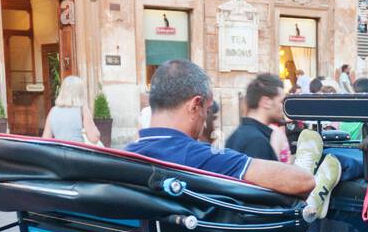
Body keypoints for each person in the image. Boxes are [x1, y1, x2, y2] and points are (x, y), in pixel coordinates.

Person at [126, 59, 337, 215]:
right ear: (195, 105)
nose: (205, 120)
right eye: (207, 110)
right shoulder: (201, 157)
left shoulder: (125, 157)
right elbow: (302, 181)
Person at [225, 73, 285, 161]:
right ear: (267, 102)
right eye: (281, 101)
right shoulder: (257, 141)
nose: (283, 106)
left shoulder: (239, 134)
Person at [42, 75, 101, 144]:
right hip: (77, 152)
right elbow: (94, 138)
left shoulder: (53, 111)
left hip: (59, 152)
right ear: (80, 92)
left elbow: (45, 140)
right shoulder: (82, 109)